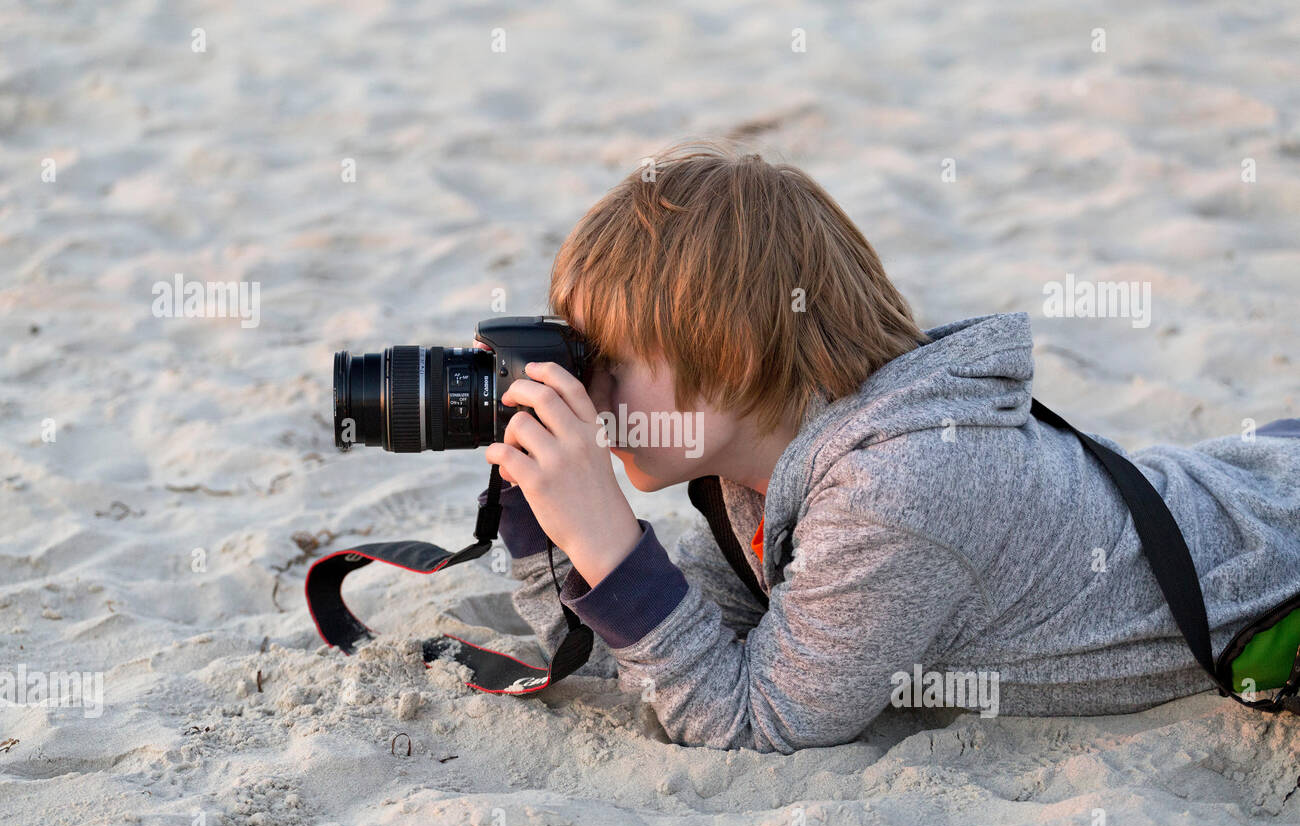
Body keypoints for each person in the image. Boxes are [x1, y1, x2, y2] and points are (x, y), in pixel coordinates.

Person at [478, 141, 1300, 753]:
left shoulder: (896, 488)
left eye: (607, 362)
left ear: (734, 355)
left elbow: (757, 723)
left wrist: (610, 544)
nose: (590, 394)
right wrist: (536, 502)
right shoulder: (770, 466)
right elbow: (635, 661)